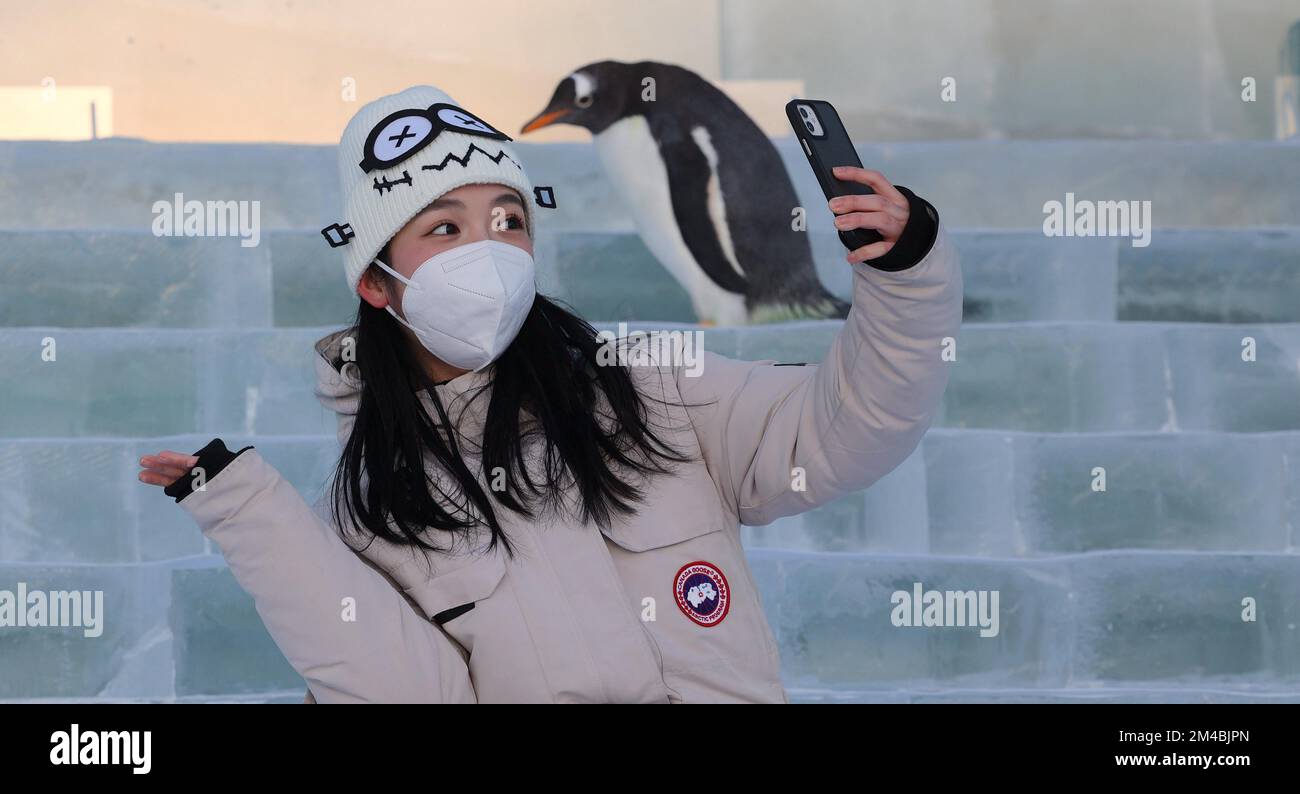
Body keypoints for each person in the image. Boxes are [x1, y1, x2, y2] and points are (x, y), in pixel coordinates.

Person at [137, 85, 963, 703]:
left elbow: (847, 429)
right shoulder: (380, 501)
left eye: (509, 220)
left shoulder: (653, 387)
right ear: (377, 283)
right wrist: (256, 516)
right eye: (446, 229)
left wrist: (905, 275)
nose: (490, 252)